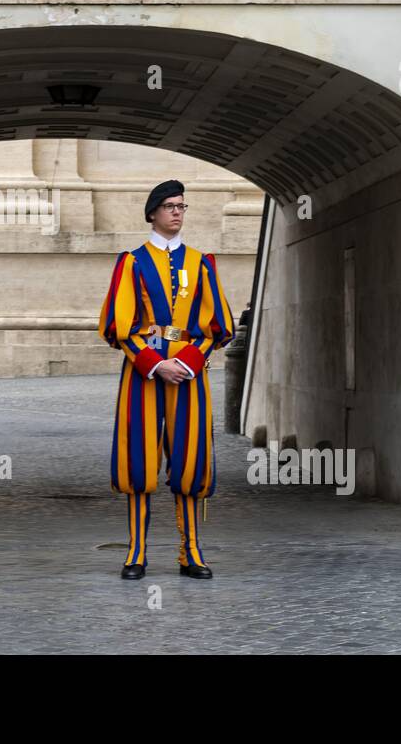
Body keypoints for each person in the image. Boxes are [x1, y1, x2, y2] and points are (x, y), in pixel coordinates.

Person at [98, 179, 234, 580]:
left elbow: (217, 326)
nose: (177, 212)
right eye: (170, 206)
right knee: (139, 462)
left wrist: (188, 362)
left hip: (190, 375)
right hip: (144, 375)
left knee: (189, 463)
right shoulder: (132, 263)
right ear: (153, 213)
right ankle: (136, 553)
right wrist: (156, 363)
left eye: (182, 206)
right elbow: (118, 326)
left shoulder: (200, 262)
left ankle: (190, 551)